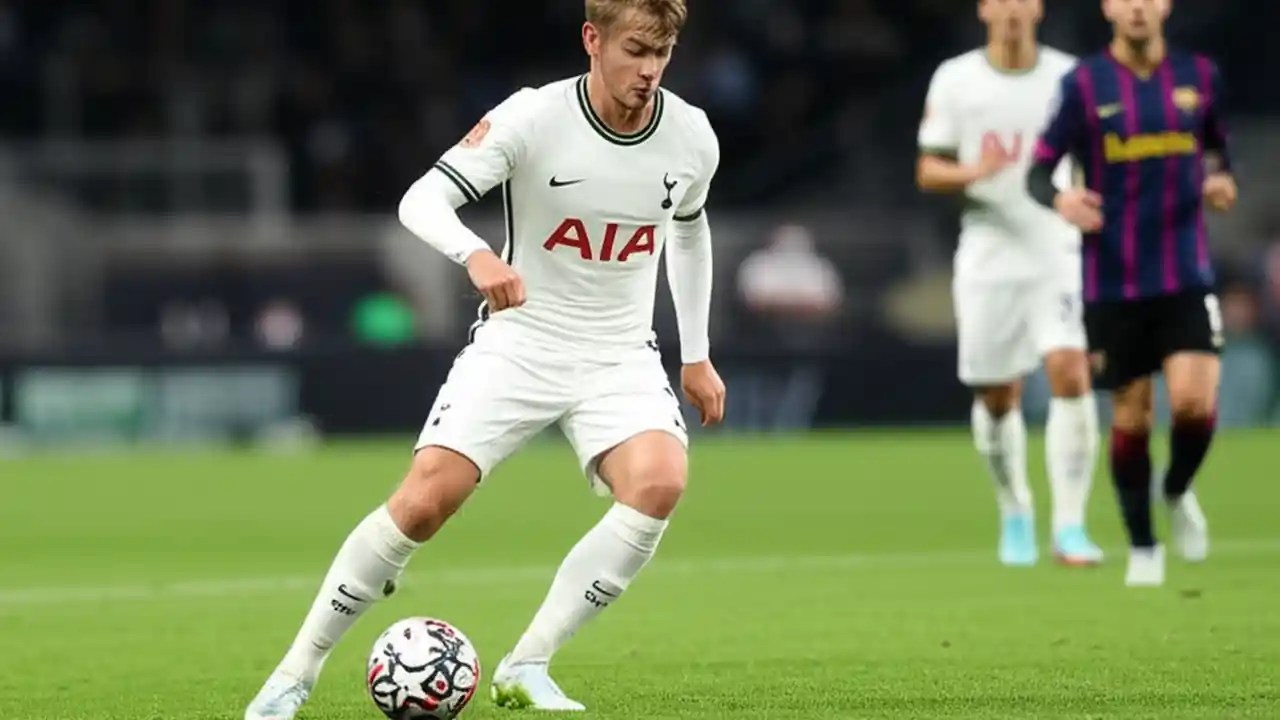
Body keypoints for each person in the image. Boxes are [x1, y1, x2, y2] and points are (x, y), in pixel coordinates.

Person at [244, 1, 725, 716]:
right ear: (593, 40)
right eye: (635, 49)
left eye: (663, 51)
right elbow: (421, 200)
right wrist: (475, 255)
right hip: (521, 343)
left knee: (659, 483)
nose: (649, 69)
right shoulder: (534, 118)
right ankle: (292, 676)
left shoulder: (690, 136)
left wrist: (697, 354)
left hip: (620, 354)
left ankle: (528, 665)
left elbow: (688, 231)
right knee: (424, 502)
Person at [1028, 0, 1237, 586]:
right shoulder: (1085, 84)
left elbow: (1221, 149)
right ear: (1109, 9)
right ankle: (1143, 546)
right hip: (1112, 281)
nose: (1138, 7)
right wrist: (1061, 199)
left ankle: (1175, 490)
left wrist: (1221, 178)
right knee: (1132, 416)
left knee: (1194, 403)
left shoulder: (1199, 77)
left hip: (1185, 274)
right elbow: (1038, 171)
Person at [917, 0, 1103, 568]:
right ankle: (1014, 507)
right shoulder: (956, 78)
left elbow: (1098, 156)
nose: (1014, 10)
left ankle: (1070, 526)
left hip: (1055, 243)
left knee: (1071, 371)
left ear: (1039, 9)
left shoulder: (1071, 77)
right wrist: (974, 171)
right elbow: (929, 170)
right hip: (989, 247)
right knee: (998, 396)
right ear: (985, 10)